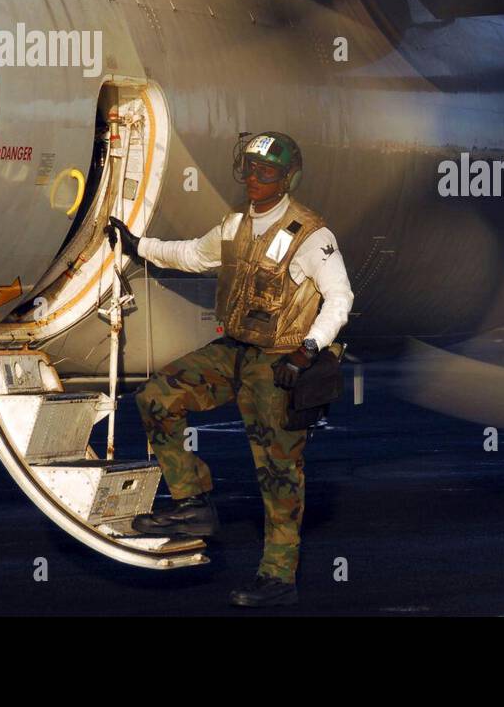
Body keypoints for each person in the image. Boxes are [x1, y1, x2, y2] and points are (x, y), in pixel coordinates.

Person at [107, 131, 353, 607]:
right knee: (158, 397)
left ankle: (278, 577)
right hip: (234, 351)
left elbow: (340, 297)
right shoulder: (235, 225)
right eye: (249, 169)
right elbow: (193, 255)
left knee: (278, 470)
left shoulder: (310, 234)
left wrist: (308, 349)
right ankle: (192, 503)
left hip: (282, 362)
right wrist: (139, 245)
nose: (255, 180)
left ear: (287, 179)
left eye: (268, 172)